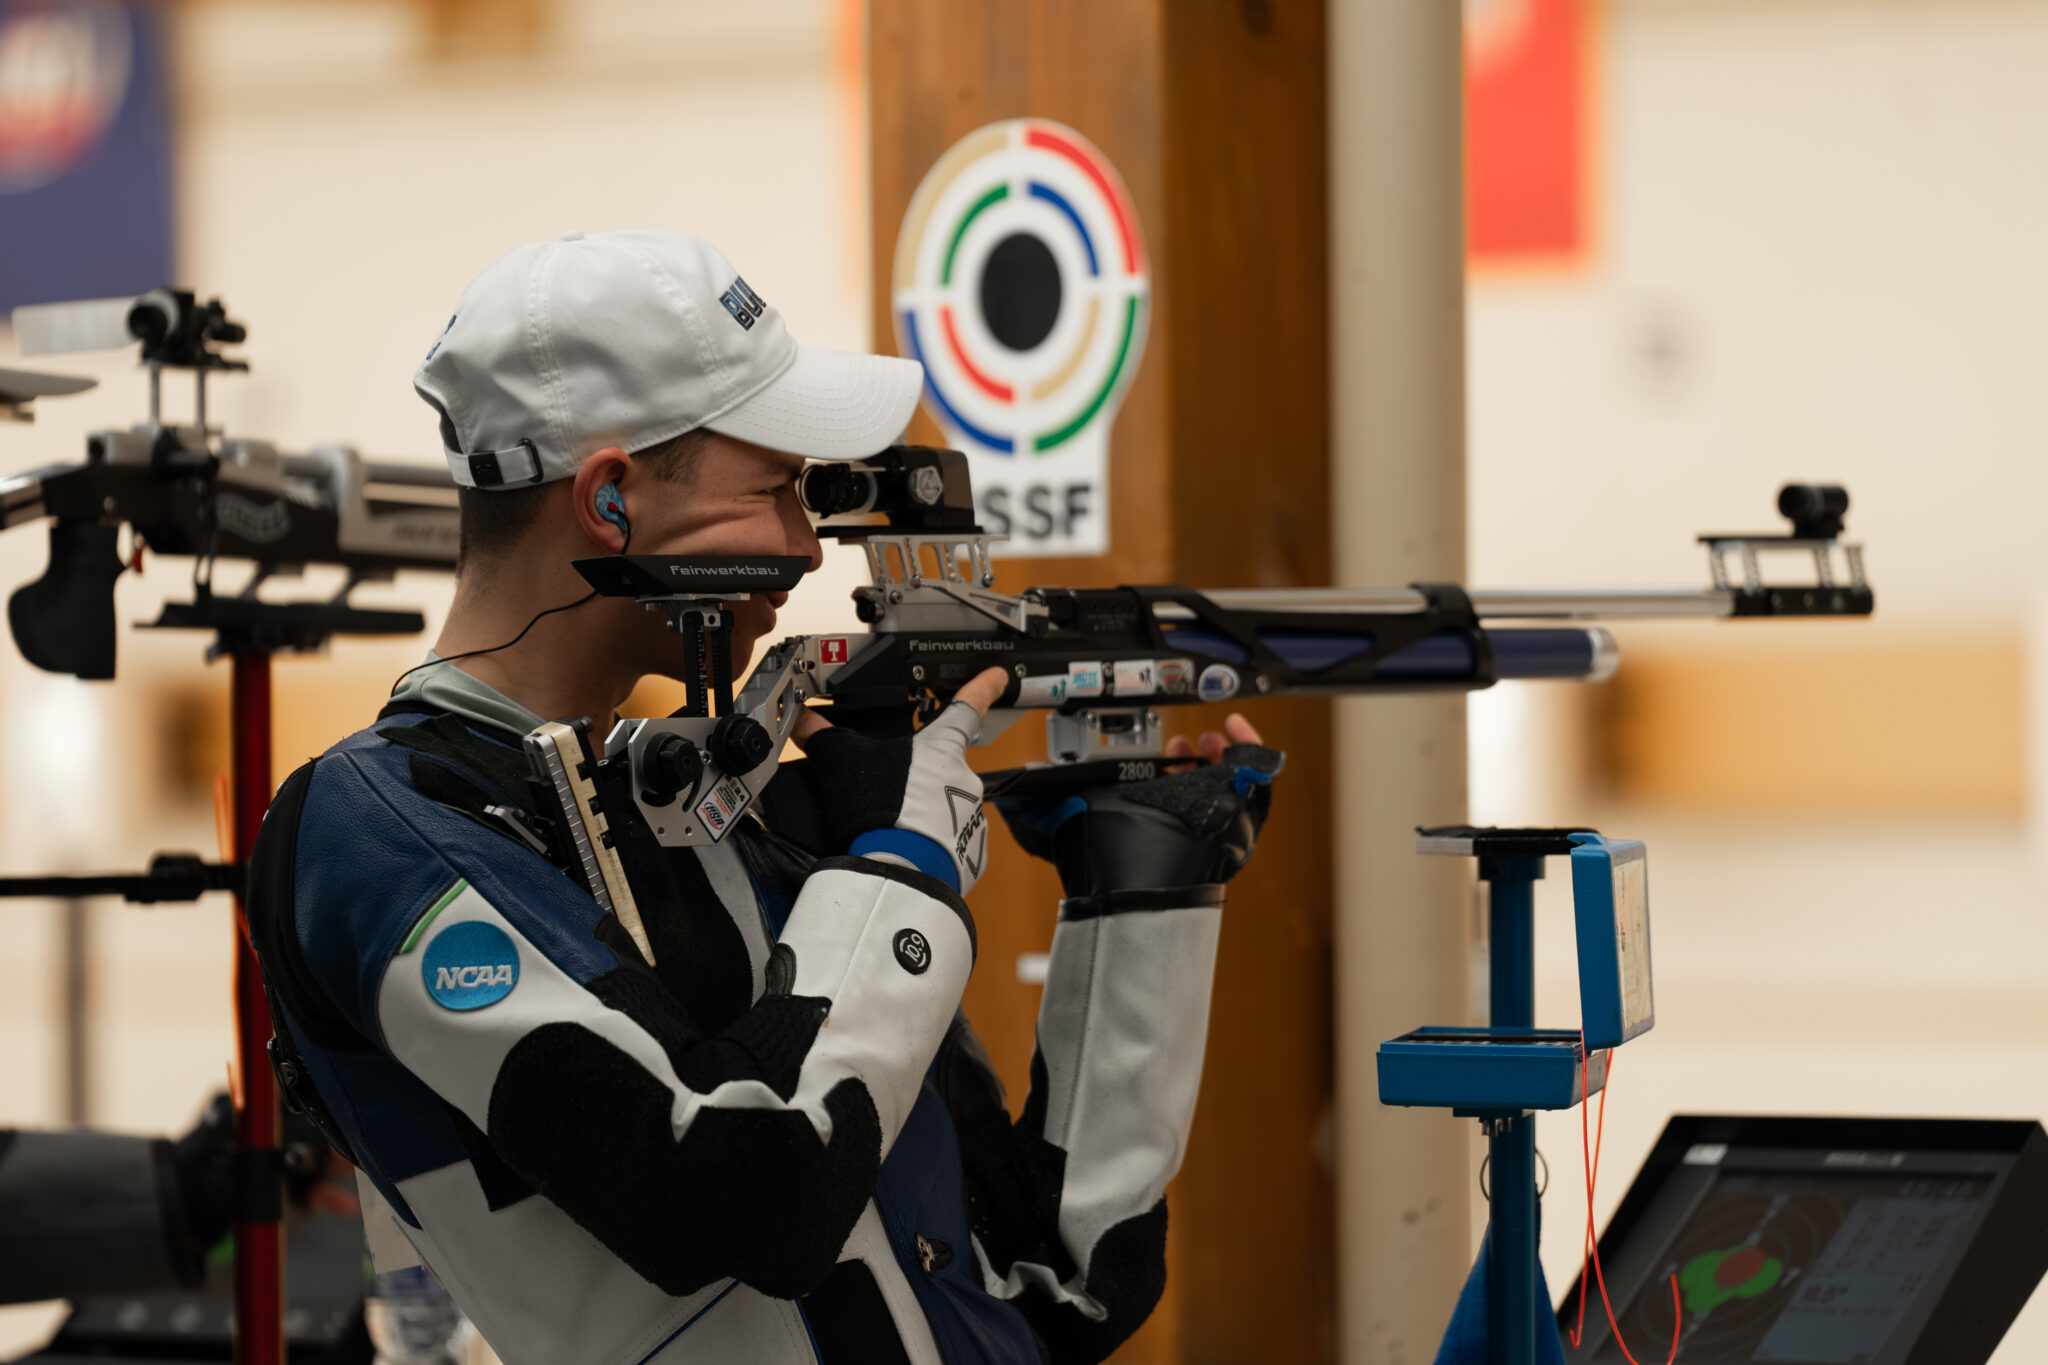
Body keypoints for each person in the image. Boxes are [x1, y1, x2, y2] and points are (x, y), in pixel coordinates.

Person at [248, 230, 1282, 1365]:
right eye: (778, 488)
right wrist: (898, 871)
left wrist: (1142, 893)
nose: (803, 544)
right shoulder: (374, 831)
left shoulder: (696, 807)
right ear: (608, 502)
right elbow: (747, 1199)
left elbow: (1062, 1286)